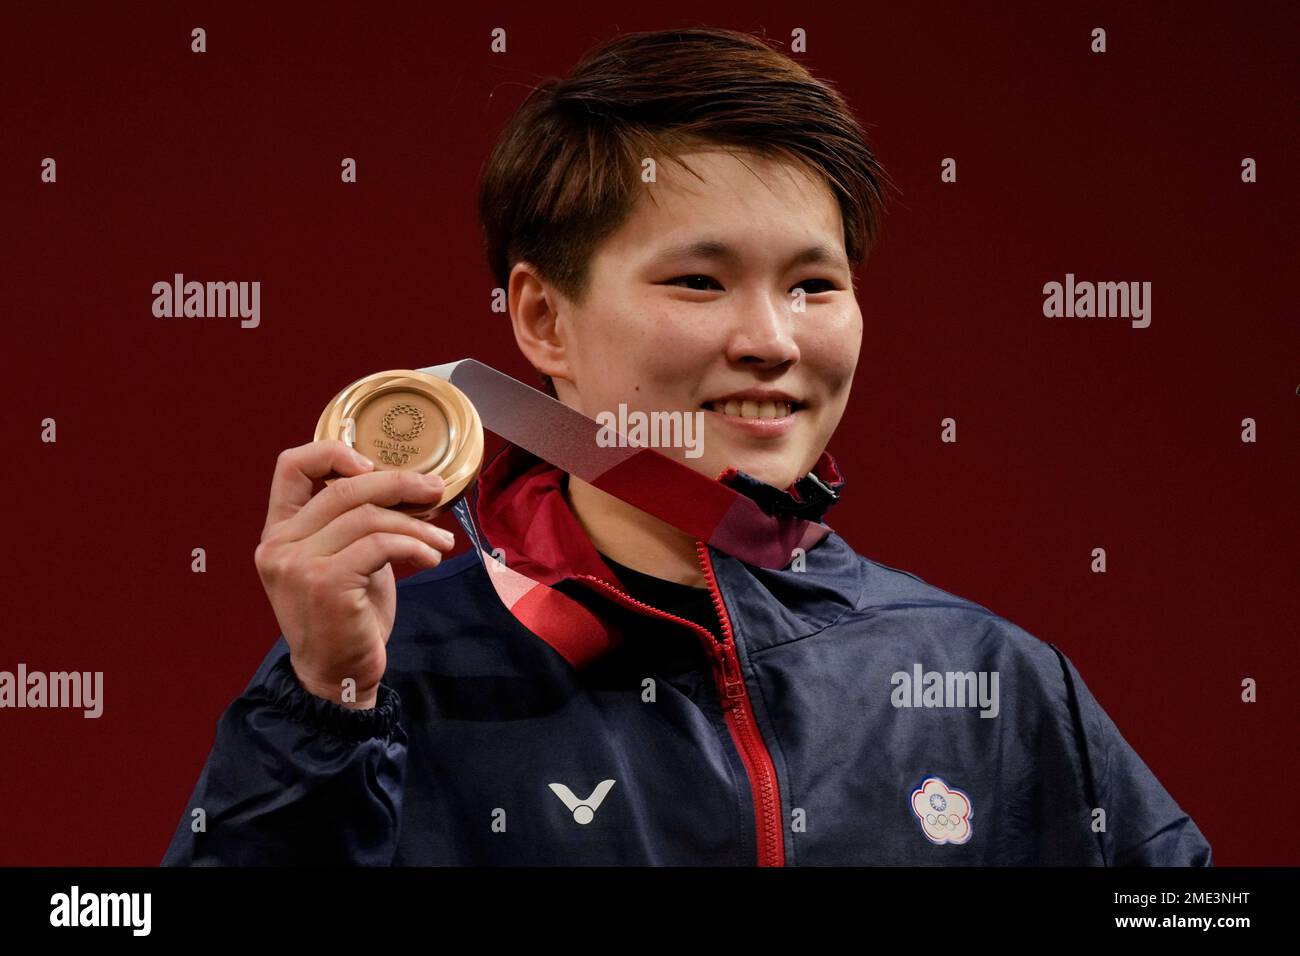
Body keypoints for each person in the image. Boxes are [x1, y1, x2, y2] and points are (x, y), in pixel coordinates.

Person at [162, 26, 1211, 866]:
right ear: (540, 319)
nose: (770, 340)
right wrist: (324, 706)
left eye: (814, 284)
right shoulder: (381, 672)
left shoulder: (984, 676)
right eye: (697, 281)